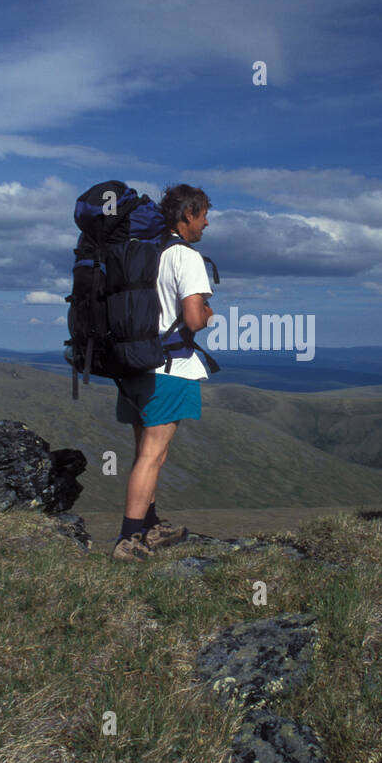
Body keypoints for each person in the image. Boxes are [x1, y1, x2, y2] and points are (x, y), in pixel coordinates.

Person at [110, 184, 214, 561]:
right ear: (188, 215)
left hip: (133, 364)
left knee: (146, 451)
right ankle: (128, 539)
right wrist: (206, 313)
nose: (206, 223)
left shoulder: (143, 252)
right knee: (152, 454)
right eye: (203, 215)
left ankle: (149, 525)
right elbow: (192, 318)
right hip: (169, 368)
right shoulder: (185, 257)